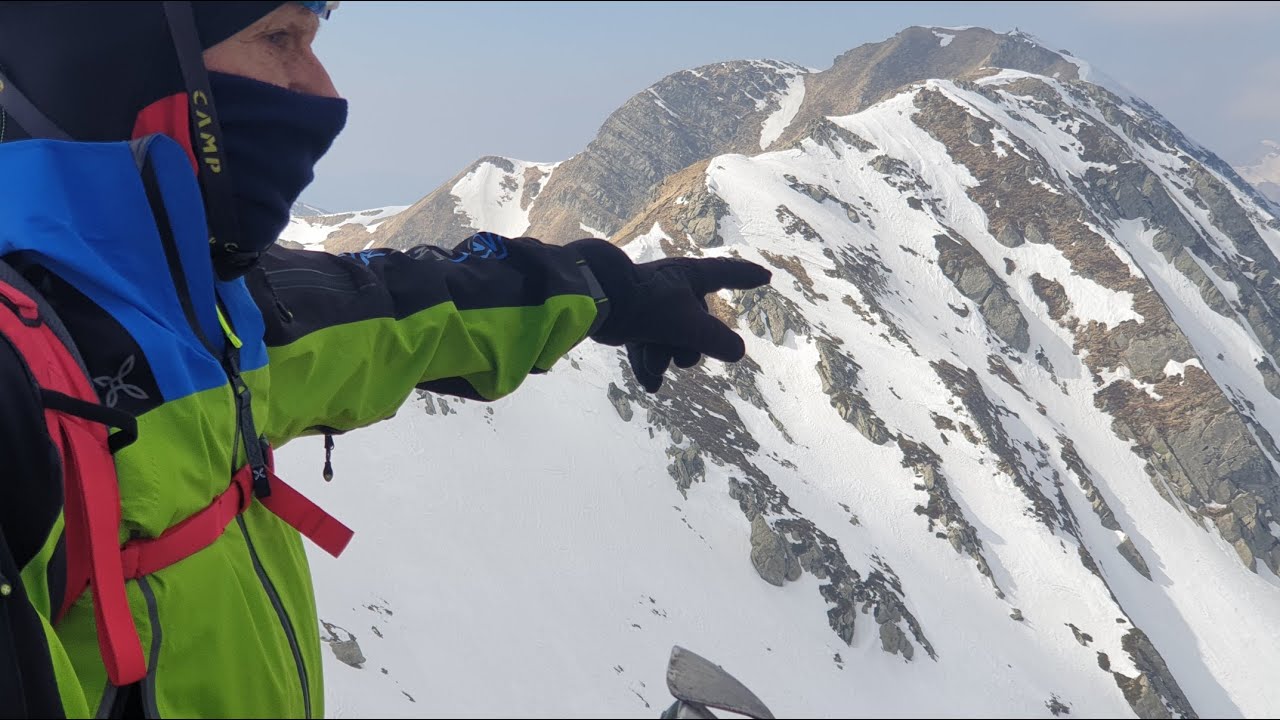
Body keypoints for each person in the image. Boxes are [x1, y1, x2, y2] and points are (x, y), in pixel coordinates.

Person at [0, 2, 769, 718]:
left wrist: (607, 291)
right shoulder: (22, 378)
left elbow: (402, 307)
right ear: (123, 65)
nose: (321, 89)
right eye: (280, 39)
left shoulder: (198, 303)